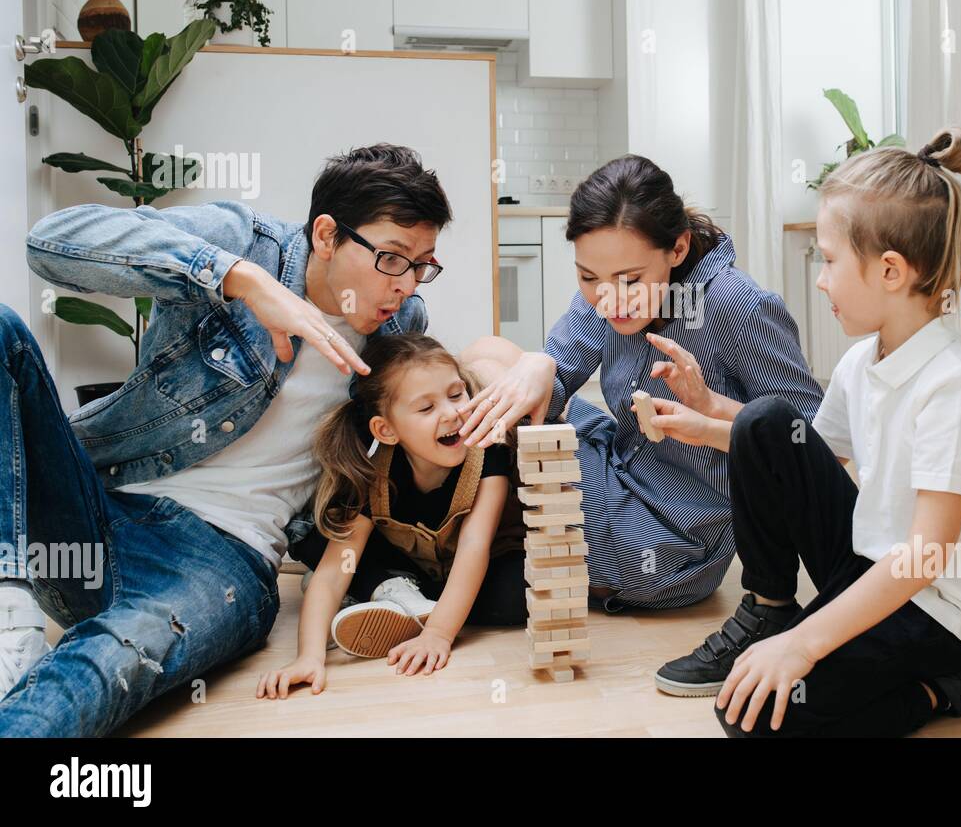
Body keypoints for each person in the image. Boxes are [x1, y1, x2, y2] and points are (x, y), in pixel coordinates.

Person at [0, 144, 451, 736]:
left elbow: (426, 409)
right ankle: (10, 614)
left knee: (112, 658)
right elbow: (52, 242)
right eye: (392, 259)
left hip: (219, 559)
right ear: (325, 235)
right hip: (96, 510)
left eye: (422, 265)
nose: (406, 285)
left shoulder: (400, 325)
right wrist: (236, 280)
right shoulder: (244, 243)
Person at [653, 128, 961, 736]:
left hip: (940, 611)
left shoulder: (958, 389)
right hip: (870, 568)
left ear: (889, 271)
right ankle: (771, 610)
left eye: (828, 261)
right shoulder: (863, 361)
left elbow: (924, 558)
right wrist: (708, 411)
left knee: (753, 717)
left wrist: (805, 647)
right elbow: (802, 456)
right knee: (769, 419)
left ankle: (944, 686)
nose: (821, 280)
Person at [457, 155, 824, 611]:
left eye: (631, 279)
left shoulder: (736, 305)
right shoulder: (608, 296)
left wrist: (711, 418)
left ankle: (467, 548)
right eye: (588, 277)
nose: (609, 297)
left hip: (672, 547)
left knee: (490, 371)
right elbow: (552, 389)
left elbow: (809, 439)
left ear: (678, 249)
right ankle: (468, 539)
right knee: (486, 354)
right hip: (619, 470)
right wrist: (540, 364)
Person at [257, 334, 526, 699]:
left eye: (455, 394)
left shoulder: (486, 450)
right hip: (409, 567)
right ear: (387, 430)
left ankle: (402, 605)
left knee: (518, 596)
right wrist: (309, 657)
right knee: (318, 544)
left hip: (468, 565)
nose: (451, 413)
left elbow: (474, 547)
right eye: (426, 408)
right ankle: (396, 595)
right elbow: (335, 571)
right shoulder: (373, 472)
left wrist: (438, 635)